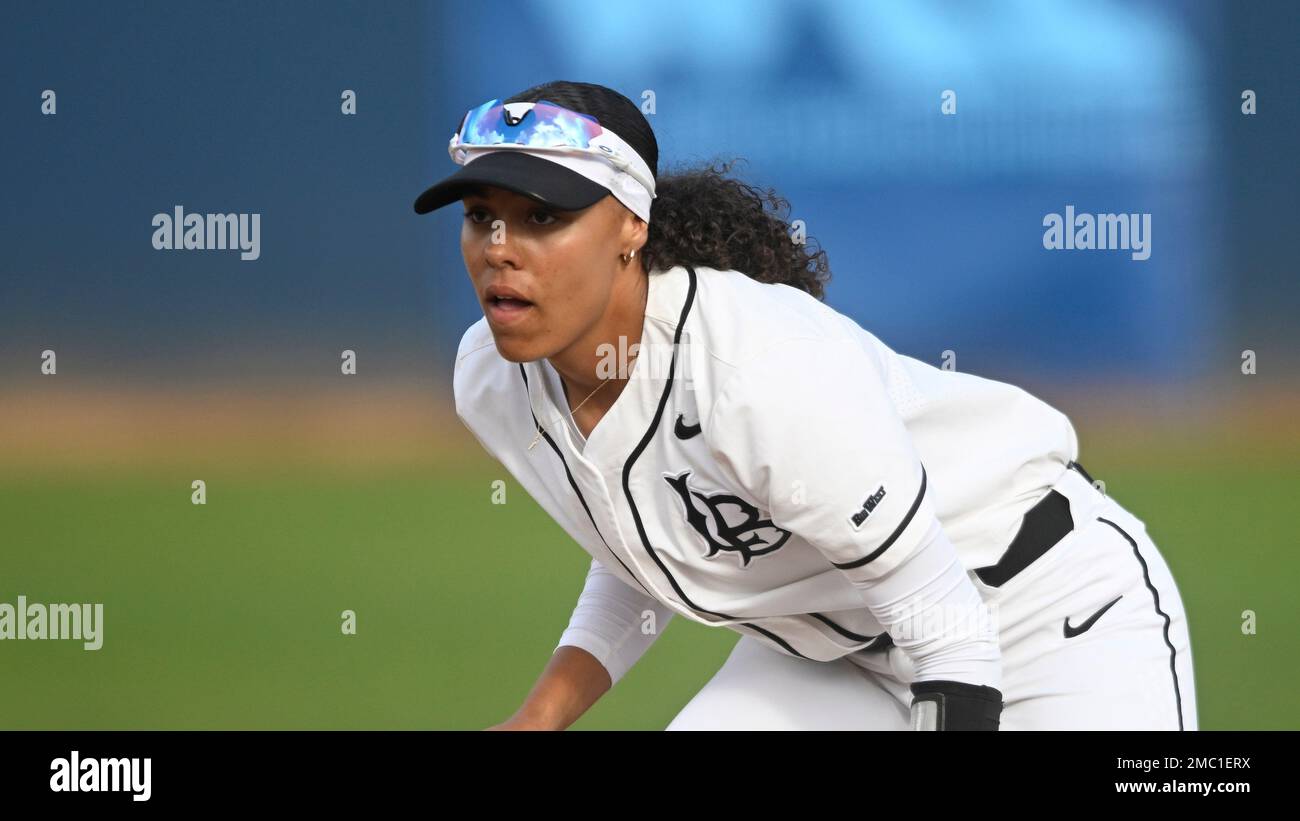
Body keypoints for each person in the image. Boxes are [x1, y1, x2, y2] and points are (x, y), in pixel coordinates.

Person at [412, 80, 1196, 730]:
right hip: (832, 658)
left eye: (544, 216)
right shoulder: (493, 380)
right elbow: (650, 542)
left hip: (1039, 609)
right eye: (482, 215)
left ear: (630, 227)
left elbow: (950, 634)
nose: (499, 247)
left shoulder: (752, 368)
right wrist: (540, 715)